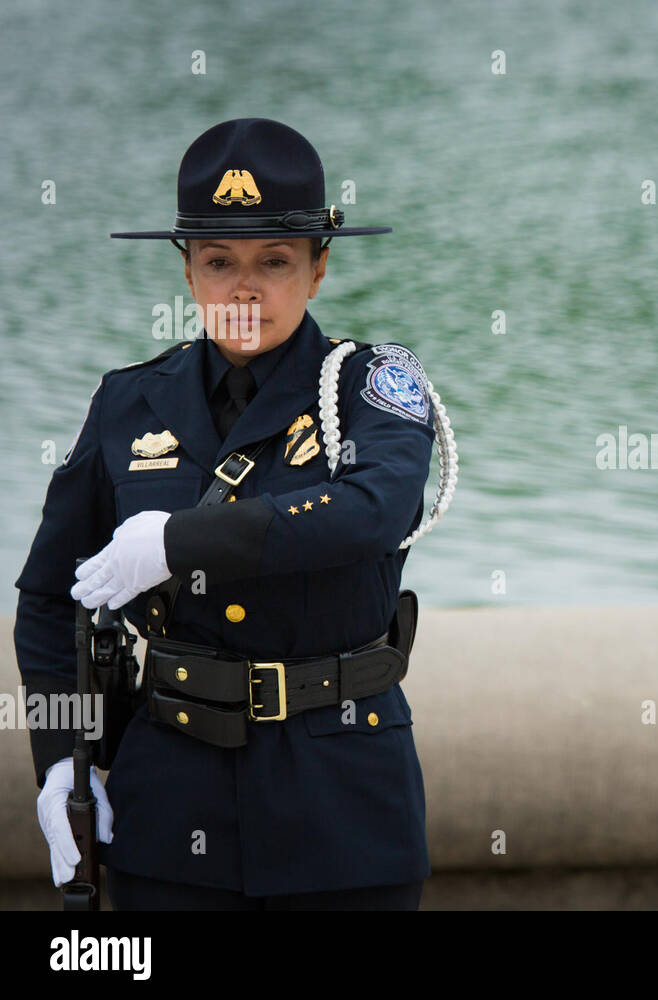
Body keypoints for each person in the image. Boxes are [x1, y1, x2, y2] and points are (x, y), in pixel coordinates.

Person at [16, 117, 457, 910]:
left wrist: (178, 539)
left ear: (319, 269)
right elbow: (51, 601)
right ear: (187, 271)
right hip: (169, 801)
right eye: (219, 262)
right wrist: (59, 761)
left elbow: (372, 511)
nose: (243, 290)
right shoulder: (129, 402)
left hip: (344, 804)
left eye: (274, 263)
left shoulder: (369, 388)